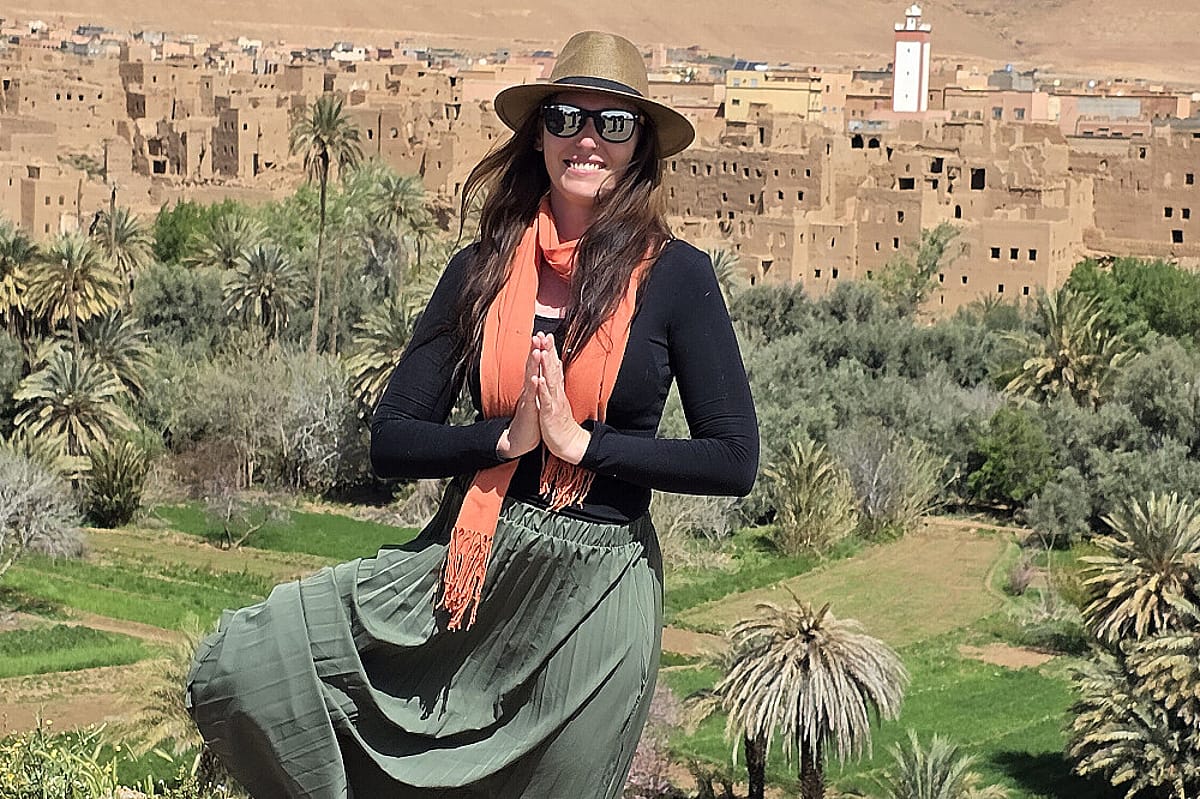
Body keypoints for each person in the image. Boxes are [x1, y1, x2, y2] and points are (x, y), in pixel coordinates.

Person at [187, 30, 758, 799]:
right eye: (566, 117)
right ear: (539, 135)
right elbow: (392, 438)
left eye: (613, 123)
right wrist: (504, 437)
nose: (587, 139)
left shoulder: (678, 277)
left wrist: (581, 444)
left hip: (597, 596)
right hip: (468, 566)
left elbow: (733, 457)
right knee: (247, 665)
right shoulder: (481, 269)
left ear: (639, 146)